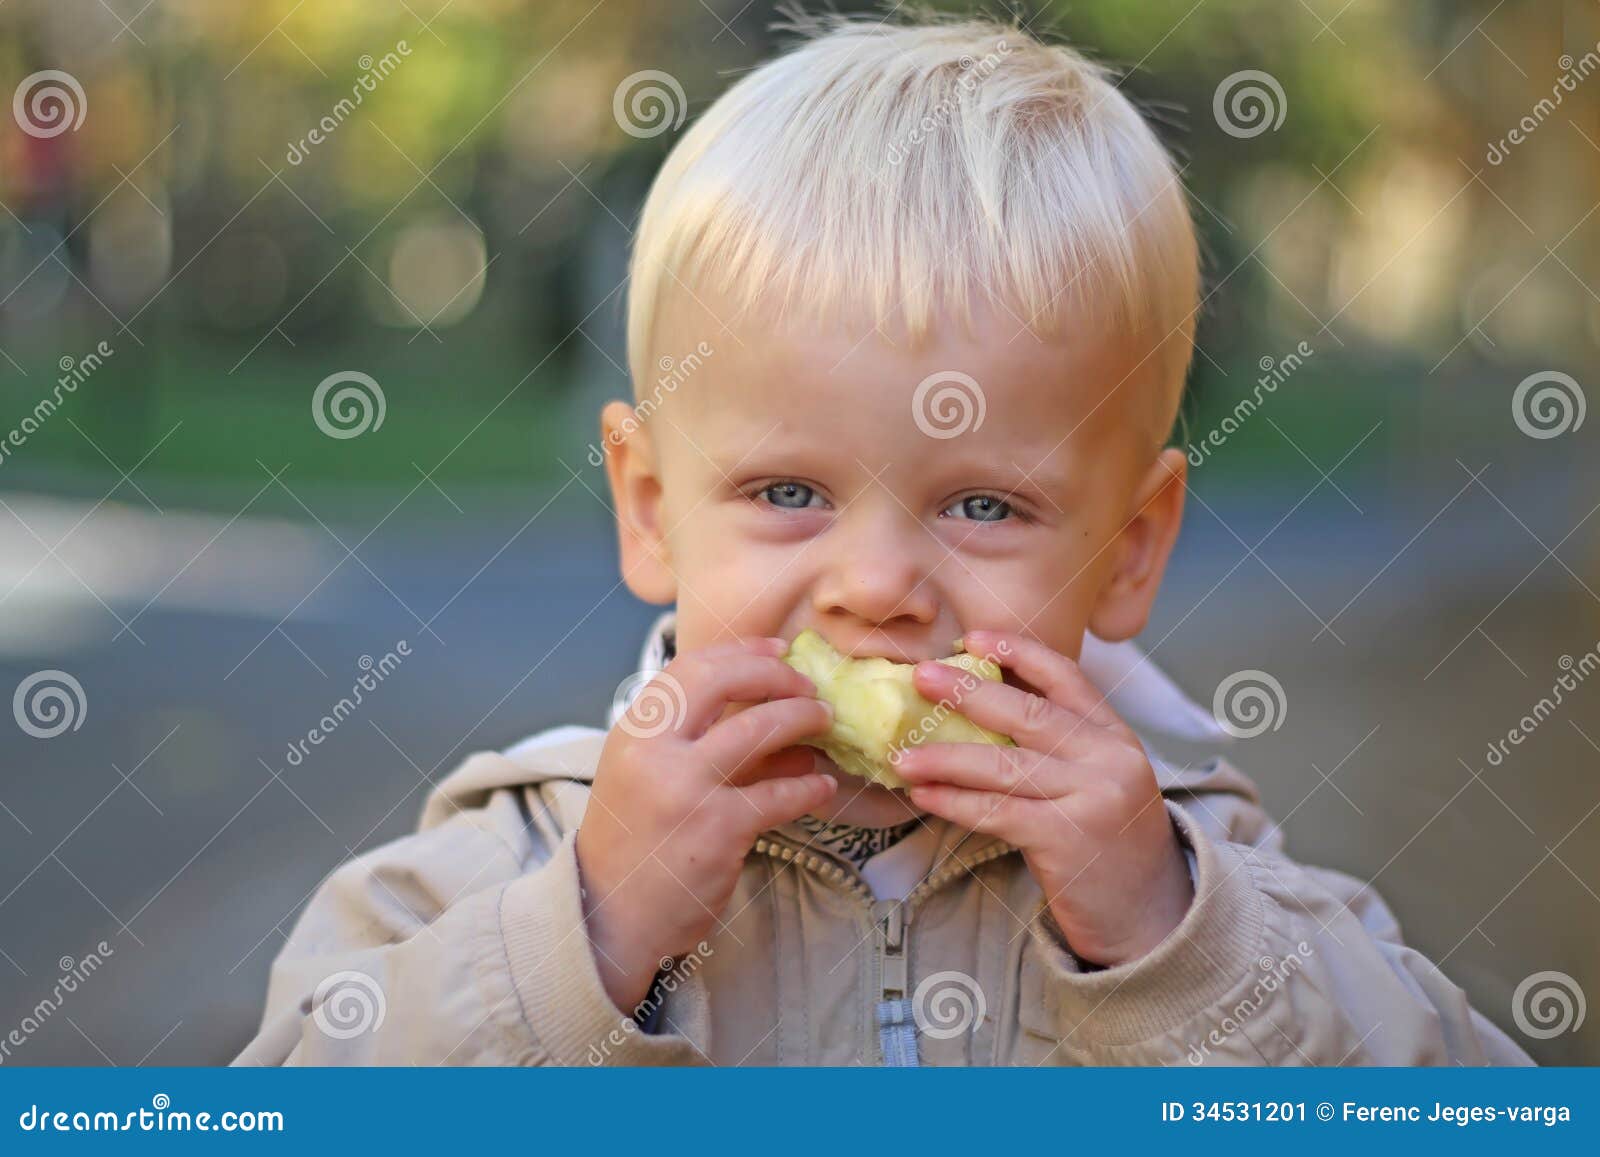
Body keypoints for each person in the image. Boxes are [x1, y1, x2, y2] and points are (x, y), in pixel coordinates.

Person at [236, 11, 1532, 1066]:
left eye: (984, 506)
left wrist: (1171, 944)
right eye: (788, 492)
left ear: (1132, 548)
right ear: (650, 508)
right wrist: (588, 940)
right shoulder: (509, 862)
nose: (875, 588)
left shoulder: (1206, 875)